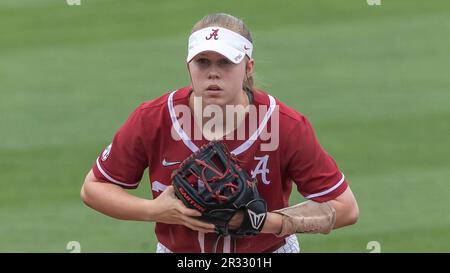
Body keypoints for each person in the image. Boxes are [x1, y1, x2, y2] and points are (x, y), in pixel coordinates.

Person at [81, 13, 359, 253]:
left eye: (225, 62)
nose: (213, 74)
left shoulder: (285, 124)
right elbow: (93, 188)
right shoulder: (153, 119)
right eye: (203, 62)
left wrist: (260, 222)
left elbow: (345, 208)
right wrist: (155, 211)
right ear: (188, 67)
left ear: (248, 67)